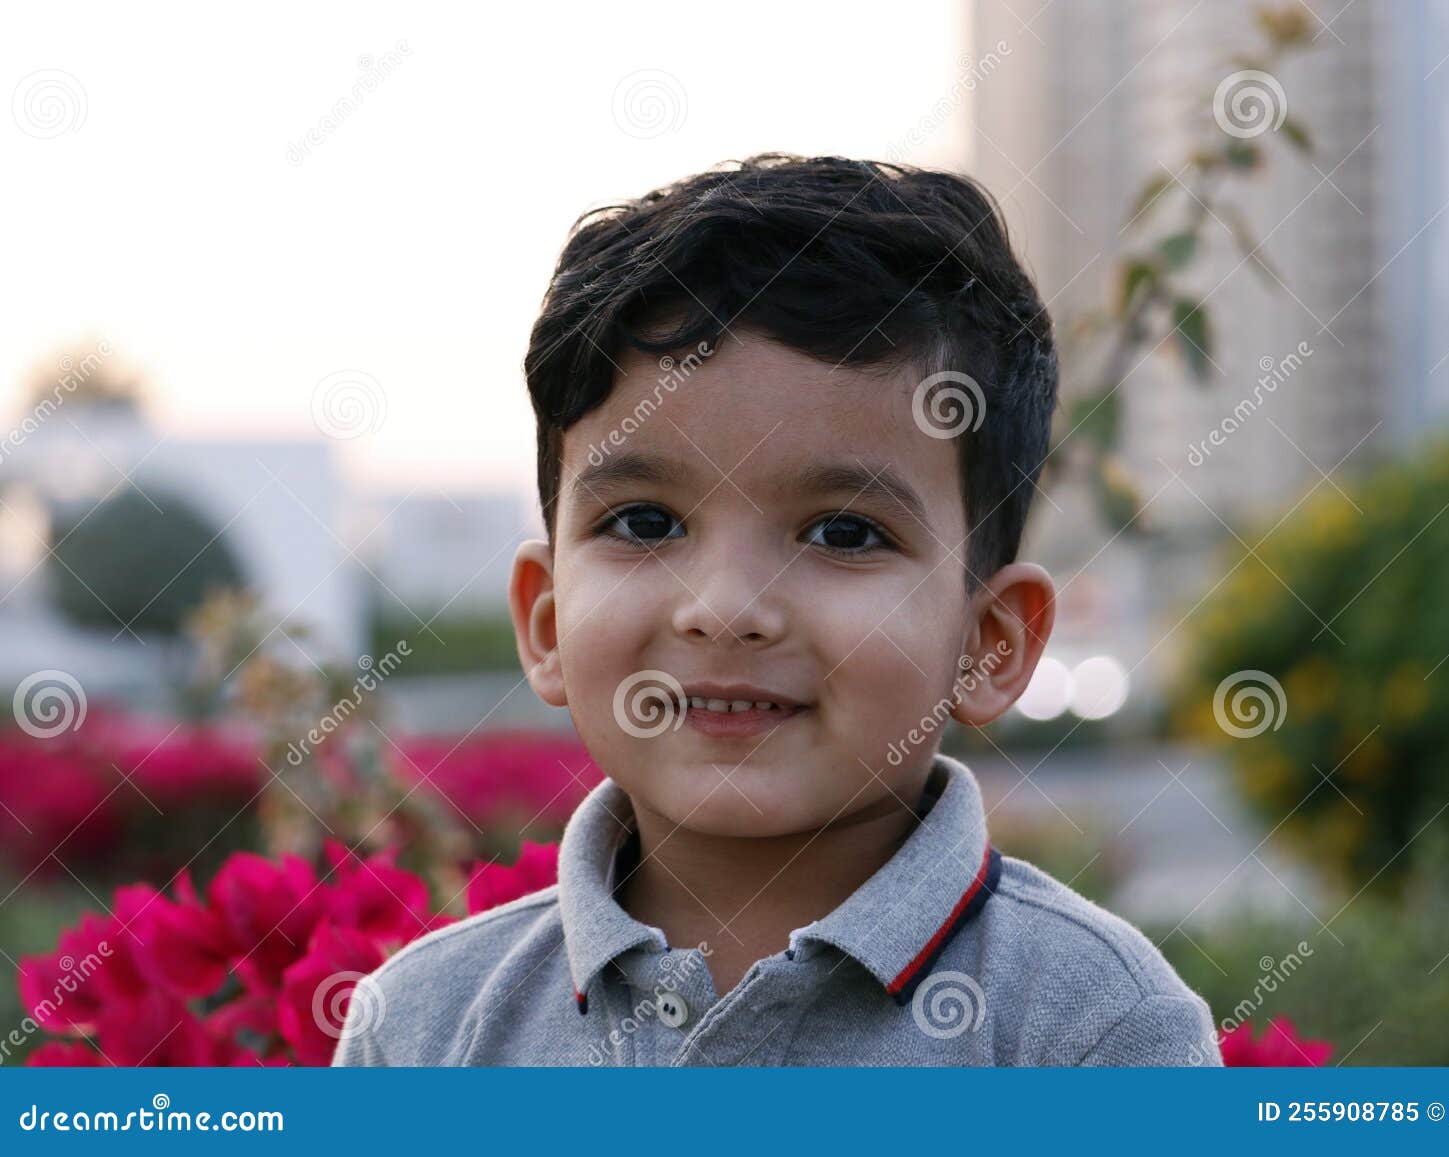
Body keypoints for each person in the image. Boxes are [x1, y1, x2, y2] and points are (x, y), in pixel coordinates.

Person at [333, 154, 1221, 1067]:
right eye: (644, 521)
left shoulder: (1094, 1029)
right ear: (547, 621)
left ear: (989, 642)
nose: (726, 610)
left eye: (842, 533)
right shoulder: (423, 1030)